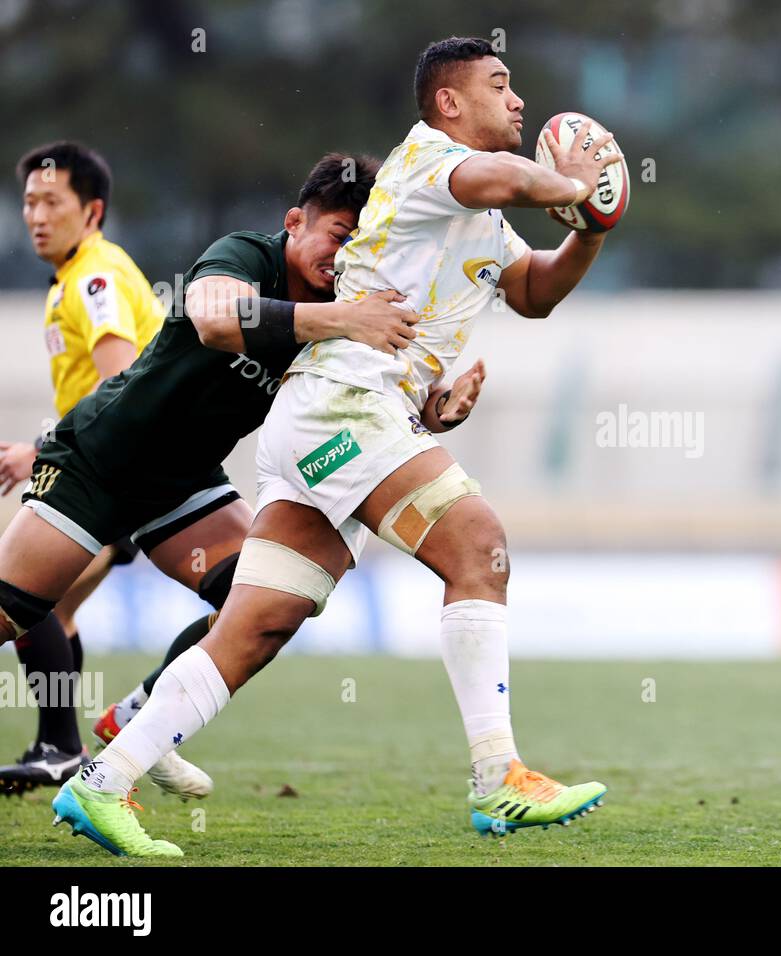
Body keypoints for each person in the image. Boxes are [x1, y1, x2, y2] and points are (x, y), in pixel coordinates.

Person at [56, 35, 623, 857]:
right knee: (480, 546)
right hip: (344, 409)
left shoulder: (487, 219)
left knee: (254, 629)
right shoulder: (432, 161)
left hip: (331, 417)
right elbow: (505, 177)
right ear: (449, 104)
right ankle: (498, 777)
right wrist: (576, 181)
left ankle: (101, 782)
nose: (520, 101)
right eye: (501, 85)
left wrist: (591, 228)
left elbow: (534, 291)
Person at [0, 152, 417, 819]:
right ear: (294, 223)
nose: (344, 259)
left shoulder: (336, 311)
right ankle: (63, 744)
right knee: (13, 612)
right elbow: (216, 322)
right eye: (339, 236)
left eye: (359, 246)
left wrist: (436, 407)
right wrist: (344, 321)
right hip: (100, 462)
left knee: (266, 603)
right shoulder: (244, 255)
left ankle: (140, 720)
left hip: (184, 484)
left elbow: (354, 404)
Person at [0, 141, 206, 797]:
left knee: (29, 602)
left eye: (51, 201)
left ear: (92, 210)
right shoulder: (77, 275)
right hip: (115, 468)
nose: (35, 214)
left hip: (121, 475)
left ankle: (88, 736)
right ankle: (64, 741)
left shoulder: (96, 277)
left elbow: (119, 379)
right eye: (29, 201)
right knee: (50, 609)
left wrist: (40, 448)